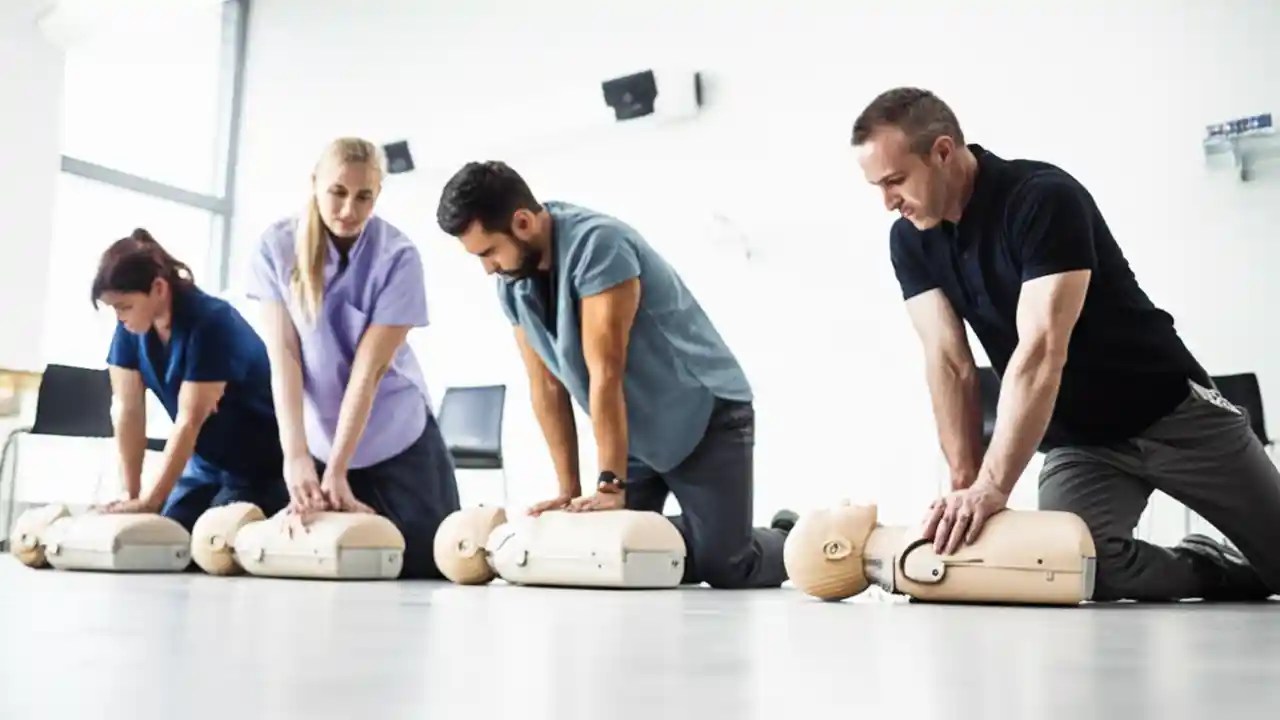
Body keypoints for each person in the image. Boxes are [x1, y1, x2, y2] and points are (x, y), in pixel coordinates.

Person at [851, 86, 1280, 602]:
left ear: (942, 151)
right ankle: (1217, 569)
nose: (887, 202)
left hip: (1174, 414)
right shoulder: (910, 238)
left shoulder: (1041, 197)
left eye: (895, 181)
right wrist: (964, 486)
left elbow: (1041, 350)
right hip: (1082, 444)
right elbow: (948, 362)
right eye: (877, 186)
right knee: (1076, 571)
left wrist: (993, 486)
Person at [434, 160, 794, 589]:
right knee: (614, 557)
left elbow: (605, 371)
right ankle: (712, 532)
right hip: (636, 434)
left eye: (488, 252)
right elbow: (546, 385)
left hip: (704, 415)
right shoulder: (512, 282)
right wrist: (568, 489)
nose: (488, 268)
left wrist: (608, 483)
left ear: (523, 222)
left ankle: (789, 536)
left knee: (728, 567)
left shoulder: (599, 245)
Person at [246, 137, 460, 579]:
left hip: (394, 429)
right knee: (327, 558)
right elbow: (284, 356)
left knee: (429, 559)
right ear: (315, 184)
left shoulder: (398, 257)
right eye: (338, 193)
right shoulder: (275, 247)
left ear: (378, 195)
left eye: (364, 197)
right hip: (320, 432)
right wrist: (296, 456)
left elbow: (371, 369)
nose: (349, 210)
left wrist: (338, 467)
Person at [93, 229, 288, 531]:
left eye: (125, 306)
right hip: (206, 465)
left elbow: (189, 420)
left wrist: (150, 502)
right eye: (114, 309)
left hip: (261, 467)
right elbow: (128, 411)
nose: (119, 317)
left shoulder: (212, 322)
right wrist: (131, 496)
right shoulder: (131, 328)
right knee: (163, 533)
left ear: (159, 288)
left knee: (211, 540)